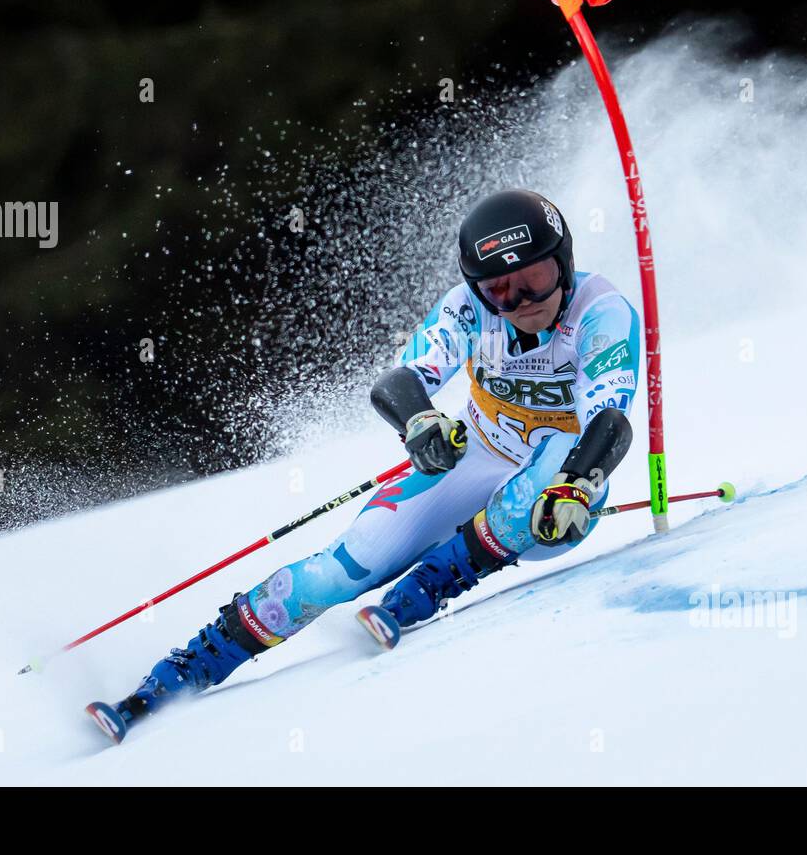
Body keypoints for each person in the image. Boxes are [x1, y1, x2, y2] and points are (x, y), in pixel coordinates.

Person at [86, 189, 640, 743]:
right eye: (500, 288)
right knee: (339, 569)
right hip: (481, 452)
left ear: (563, 261)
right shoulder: (467, 308)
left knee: (536, 489)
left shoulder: (601, 312)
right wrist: (420, 424)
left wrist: (574, 485)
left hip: (562, 492)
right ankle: (167, 682)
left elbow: (609, 420)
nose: (520, 300)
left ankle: (420, 592)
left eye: (535, 279)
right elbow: (399, 382)